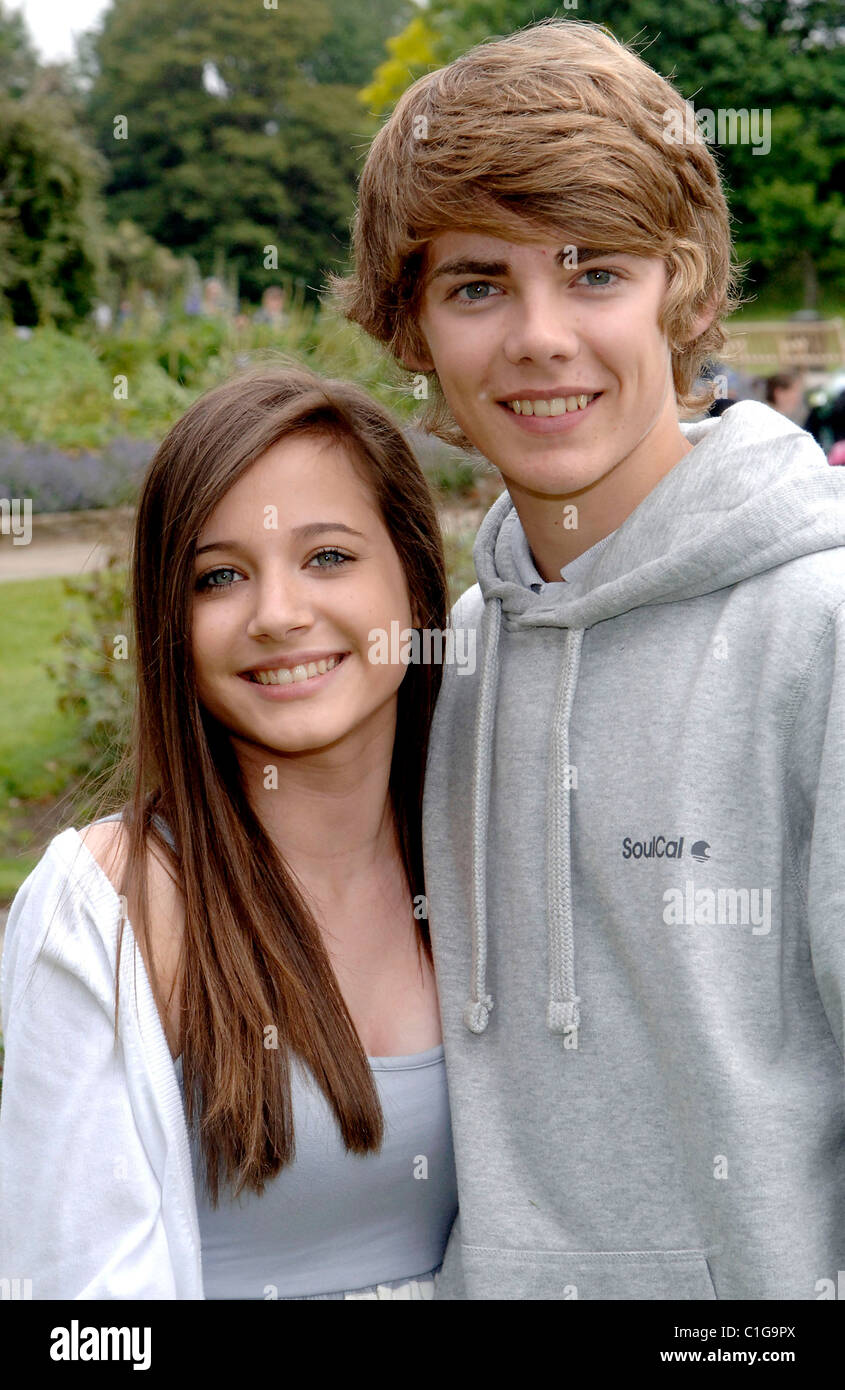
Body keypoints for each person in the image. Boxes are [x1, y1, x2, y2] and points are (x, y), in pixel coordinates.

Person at [330, 18, 845, 1299]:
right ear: (413, 324)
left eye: (593, 272)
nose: (539, 337)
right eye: (476, 284)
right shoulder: (446, 656)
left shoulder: (816, 632)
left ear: (681, 288)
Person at [0, 365, 457, 1299]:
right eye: (220, 576)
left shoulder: (488, 855)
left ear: (412, 582)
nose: (279, 615)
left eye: (328, 556)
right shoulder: (109, 911)